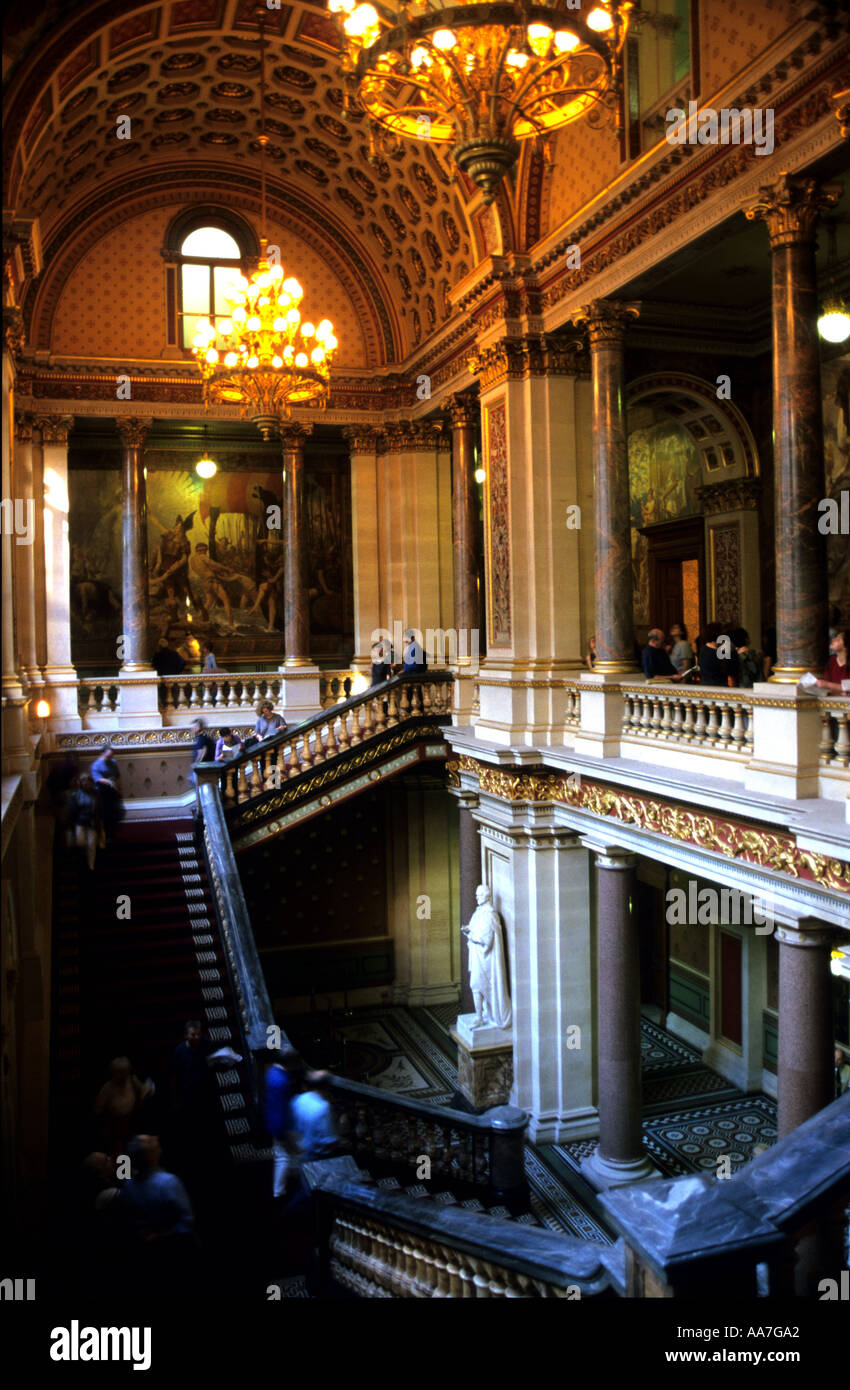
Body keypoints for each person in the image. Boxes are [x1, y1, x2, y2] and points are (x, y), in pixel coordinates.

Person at [461, 884, 511, 1030]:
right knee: (475, 986)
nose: (476, 897)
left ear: (487, 896)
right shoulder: (479, 912)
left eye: (479, 895)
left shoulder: (489, 915)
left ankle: (481, 1016)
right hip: (477, 956)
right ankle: (480, 1016)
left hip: (486, 959)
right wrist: (468, 930)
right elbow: (476, 929)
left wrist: (471, 934)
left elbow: (487, 941)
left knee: (478, 985)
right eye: (476, 895)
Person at [264, 1048, 305, 1199]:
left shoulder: (271, 1071)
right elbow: (281, 1109)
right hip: (282, 1126)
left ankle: (284, 1186)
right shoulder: (282, 1081)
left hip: (274, 1123)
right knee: (285, 1157)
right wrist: (282, 1134)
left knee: (284, 1157)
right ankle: (279, 1191)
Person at [94, 1057, 154, 1157]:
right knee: (119, 1154)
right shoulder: (107, 1088)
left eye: (125, 1072)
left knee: (132, 1150)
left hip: (131, 1122)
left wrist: (147, 1091)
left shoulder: (132, 1080)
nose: (122, 1076)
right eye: (119, 1072)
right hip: (114, 1126)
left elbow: (143, 1092)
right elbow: (98, 1110)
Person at [90, 744, 124, 844]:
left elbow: (117, 776)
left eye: (111, 756)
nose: (110, 758)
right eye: (108, 756)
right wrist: (109, 782)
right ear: (102, 754)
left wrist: (120, 788)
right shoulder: (96, 765)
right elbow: (97, 779)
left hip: (113, 793)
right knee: (105, 815)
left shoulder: (113, 763)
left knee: (116, 813)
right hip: (102, 794)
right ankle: (106, 837)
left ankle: (112, 834)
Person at [67, 773, 100, 871]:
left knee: (91, 844)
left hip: (92, 822)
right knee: (80, 843)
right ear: (81, 783)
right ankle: (81, 862)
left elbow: (99, 808)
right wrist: (71, 824)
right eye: (84, 782)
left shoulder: (96, 794)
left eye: (88, 782)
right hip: (80, 822)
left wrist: (98, 820)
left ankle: (91, 865)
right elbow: (72, 811)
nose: (87, 784)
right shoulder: (75, 795)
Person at [698, 622, 739, 687]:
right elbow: (730, 678)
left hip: (705, 687)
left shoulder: (703, 650)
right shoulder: (723, 652)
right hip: (721, 689)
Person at [816, 630, 849, 695]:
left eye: (838, 639)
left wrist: (827, 684)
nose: (833, 639)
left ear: (846, 646)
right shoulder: (831, 660)